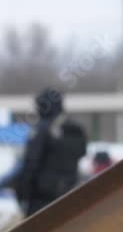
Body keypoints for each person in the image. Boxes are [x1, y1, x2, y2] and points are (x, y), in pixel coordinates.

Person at [14, 88, 87, 217]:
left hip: (41, 201)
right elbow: (82, 153)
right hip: (69, 197)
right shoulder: (75, 130)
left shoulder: (41, 131)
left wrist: (21, 194)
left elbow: (30, 165)